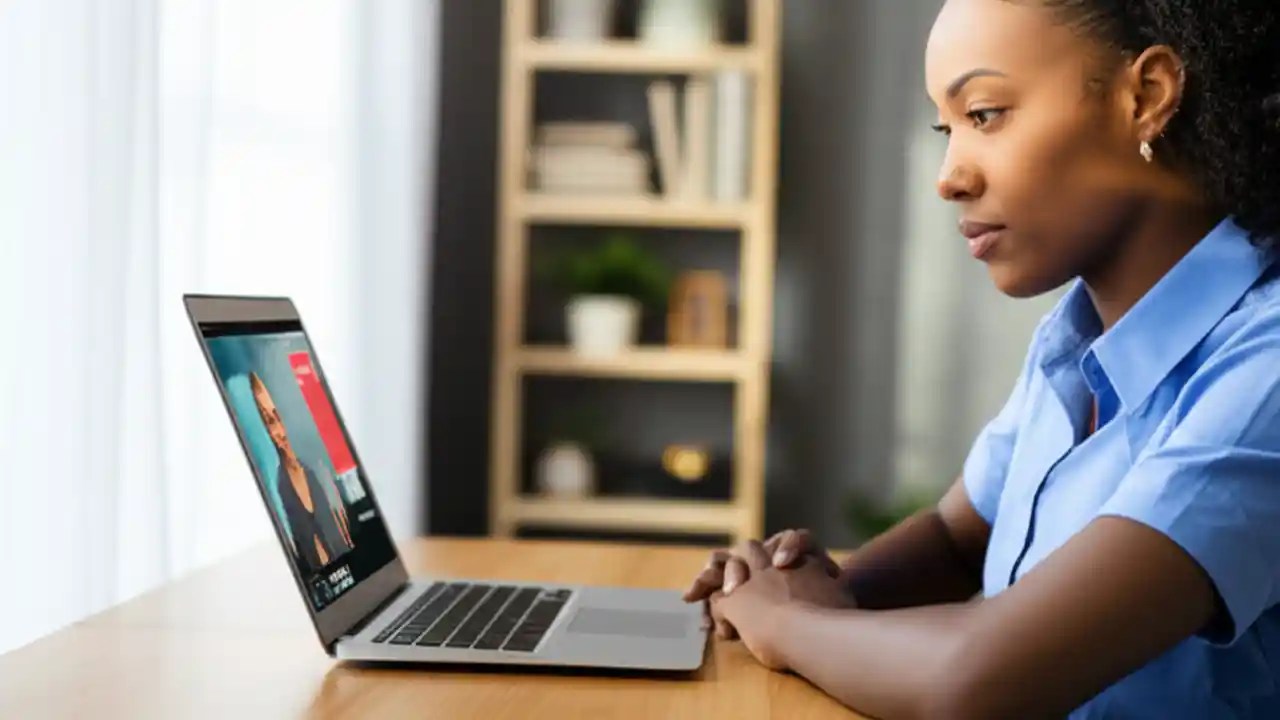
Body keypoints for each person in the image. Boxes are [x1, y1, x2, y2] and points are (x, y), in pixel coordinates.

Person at [684, 1, 1280, 717]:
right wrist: (791, 587)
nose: (949, 177)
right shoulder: (1078, 338)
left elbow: (979, 682)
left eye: (986, 114)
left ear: (1147, 96)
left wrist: (787, 624)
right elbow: (957, 537)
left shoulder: (1265, 369)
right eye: (946, 127)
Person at [248, 372, 352, 575]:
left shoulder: (318, 468)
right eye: (269, 421)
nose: (279, 431)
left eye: (278, 417)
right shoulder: (281, 489)